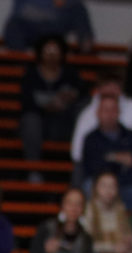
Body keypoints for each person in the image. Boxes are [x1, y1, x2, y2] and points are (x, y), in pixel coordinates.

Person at [80, 95, 132, 213]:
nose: (110, 114)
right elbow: (94, 167)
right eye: (106, 110)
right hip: (102, 188)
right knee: (89, 187)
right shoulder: (91, 139)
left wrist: (111, 158)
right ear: (98, 113)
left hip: (130, 187)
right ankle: (93, 228)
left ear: (119, 113)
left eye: (113, 110)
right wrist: (119, 158)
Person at [19, 36, 85, 171]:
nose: (51, 54)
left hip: (65, 123)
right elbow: (26, 103)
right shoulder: (30, 75)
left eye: (55, 50)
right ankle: (33, 169)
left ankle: (78, 167)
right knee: (30, 121)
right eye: (47, 50)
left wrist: (70, 98)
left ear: (62, 53)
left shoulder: (71, 74)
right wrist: (47, 106)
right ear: (40, 53)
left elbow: (83, 96)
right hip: (40, 123)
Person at [69, 73, 132, 166]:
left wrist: (123, 130)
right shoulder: (89, 113)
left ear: (121, 89)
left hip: (128, 158)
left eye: (115, 87)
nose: (111, 90)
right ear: (99, 89)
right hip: (99, 161)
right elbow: (77, 152)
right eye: (107, 86)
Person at [2, 0, 93, 52]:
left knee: (78, 9)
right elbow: (20, 13)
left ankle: (86, 52)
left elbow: (70, 5)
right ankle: (19, 66)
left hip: (54, 28)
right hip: (31, 27)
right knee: (13, 26)